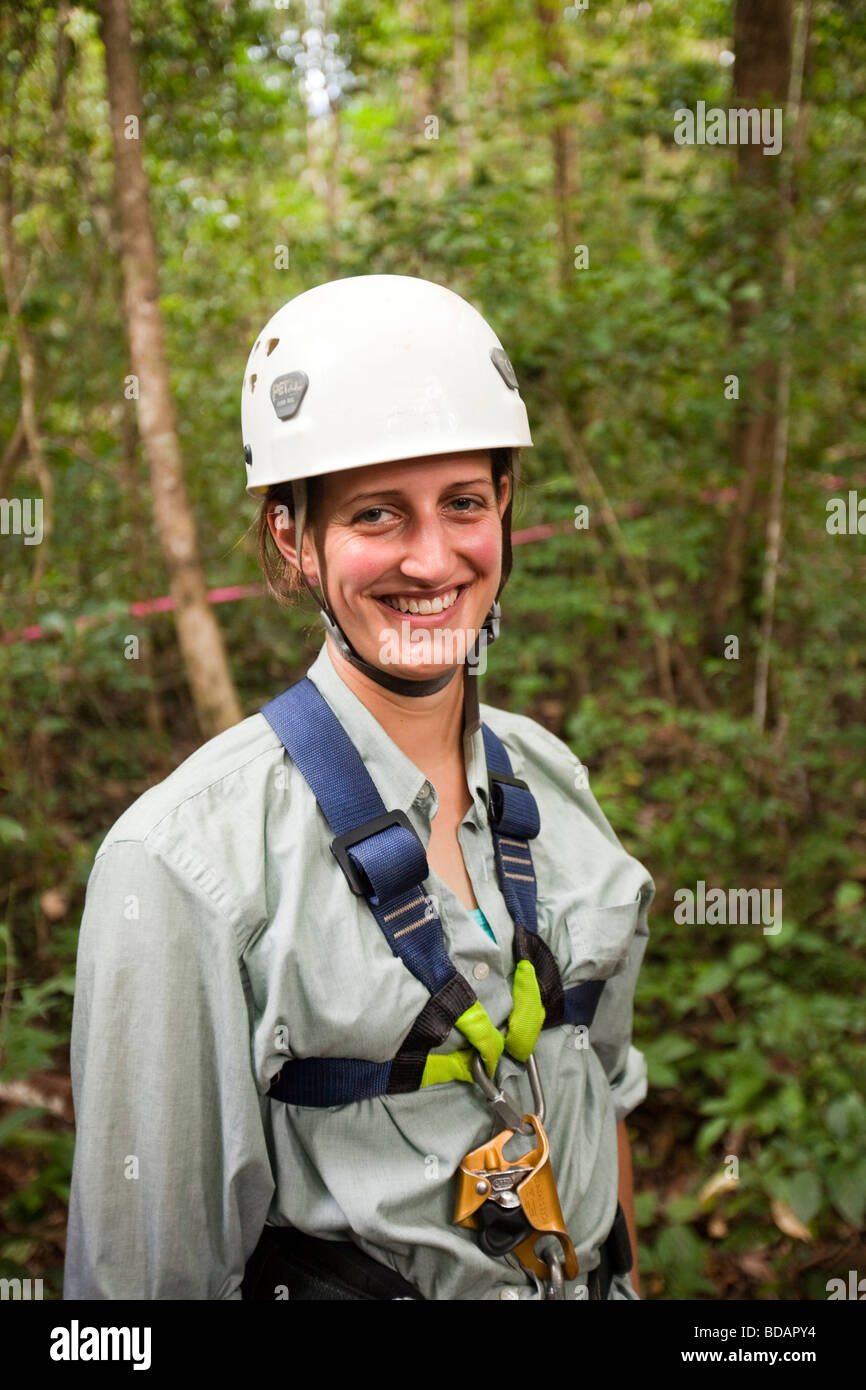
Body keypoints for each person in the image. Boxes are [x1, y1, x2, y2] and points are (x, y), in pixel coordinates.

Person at [64, 274, 653, 1301]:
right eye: (378, 514)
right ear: (292, 538)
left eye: (462, 503)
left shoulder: (552, 785)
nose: (432, 559)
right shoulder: (186, 861)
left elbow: (598, 1091)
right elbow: (141, 1287)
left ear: (505, 505)